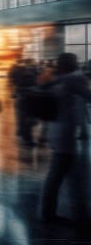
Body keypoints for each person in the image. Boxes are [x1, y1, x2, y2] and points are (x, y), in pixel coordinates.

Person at [40, 53, 91, 224]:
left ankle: (73, 212)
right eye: (75, 61)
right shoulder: (73, 79)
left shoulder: (57, 79)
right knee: (58, 174)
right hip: (65, 134)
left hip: (56, 129)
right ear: (71, 64)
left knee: (61, 173)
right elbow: (88, 96)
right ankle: (51, 213)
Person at [9, 58, 37, 146]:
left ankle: (22, 134)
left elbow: (16, 82)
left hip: (21, 97)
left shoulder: (20, 71)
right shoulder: (30, 73)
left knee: (22, 118)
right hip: (27, 98)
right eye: (33, 62)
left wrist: (15, 92)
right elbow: (32, 84)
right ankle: (27, 138)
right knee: (27, 119)